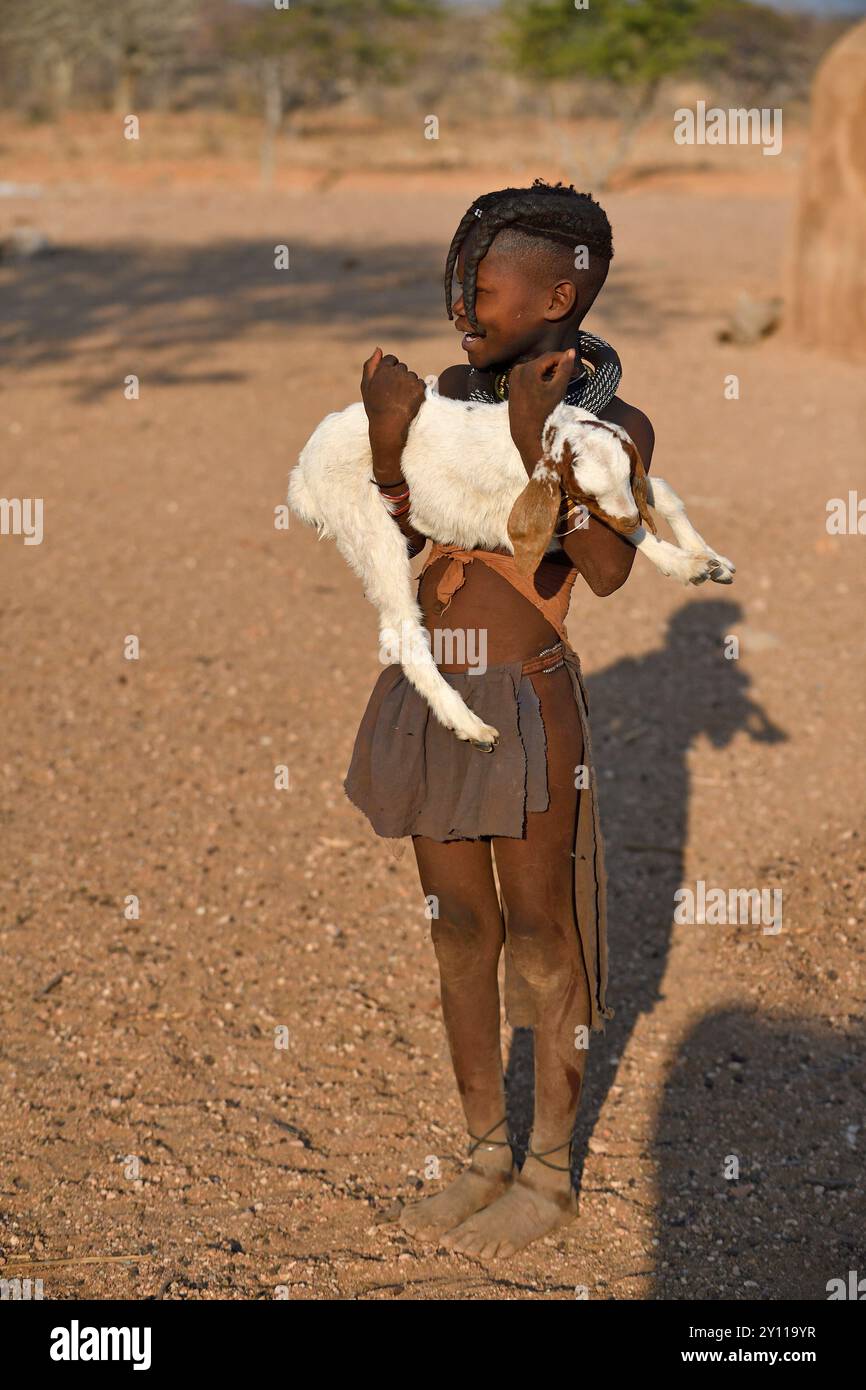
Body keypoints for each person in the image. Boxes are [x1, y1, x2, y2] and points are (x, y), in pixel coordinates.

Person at [344, 180, 654, 1260]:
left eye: (480, 288)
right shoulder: (445, 391)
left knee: (537, 932)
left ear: (557, 294)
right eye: (460, 284)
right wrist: (391, 443)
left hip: (525, 698)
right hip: (434, 689)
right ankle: (482, 1151)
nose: (459, 305)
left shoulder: (609, 419)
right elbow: (400, 529)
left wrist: (537, 436)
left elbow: (607, 570)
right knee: (457, 929)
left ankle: (550, 1172)